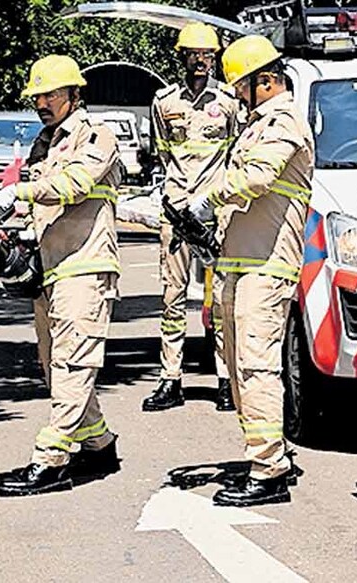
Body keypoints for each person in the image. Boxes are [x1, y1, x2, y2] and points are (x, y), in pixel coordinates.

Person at [0, 55, 122, 496]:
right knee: (56, 365)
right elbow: (35, 204)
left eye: (50, 94)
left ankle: (51, 461)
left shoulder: (96, 136)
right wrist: (3, 226)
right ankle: (98, 444)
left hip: (86, 266)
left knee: (71, 363)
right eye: (37, 96)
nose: (42, 102)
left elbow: (75, 185)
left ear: (74, 94)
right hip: (53, 269)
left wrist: (20, 191)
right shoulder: (44, 143)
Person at [208, 35, 314, 507]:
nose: (234, 96)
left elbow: (257, 178)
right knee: (239, 367)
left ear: (264, 81)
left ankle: (268, 470)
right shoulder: (257, 124)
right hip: (241, 264)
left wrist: (206, 195)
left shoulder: (285, 120)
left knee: (255, 367)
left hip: (266, 266)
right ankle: (269, 455)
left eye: (239, 87)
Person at [142, 22, 239, 414]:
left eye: (207, 55)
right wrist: (177, 193)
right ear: (181, 57)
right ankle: (171, 378)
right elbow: (163, 152)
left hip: (215, 211)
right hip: (177, 207)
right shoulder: (164, 102)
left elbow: (237, 151)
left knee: (221, 301)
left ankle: (225, 379)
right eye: (194, 55)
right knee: (171, 297)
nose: (201, 62)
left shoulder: (230, 101)